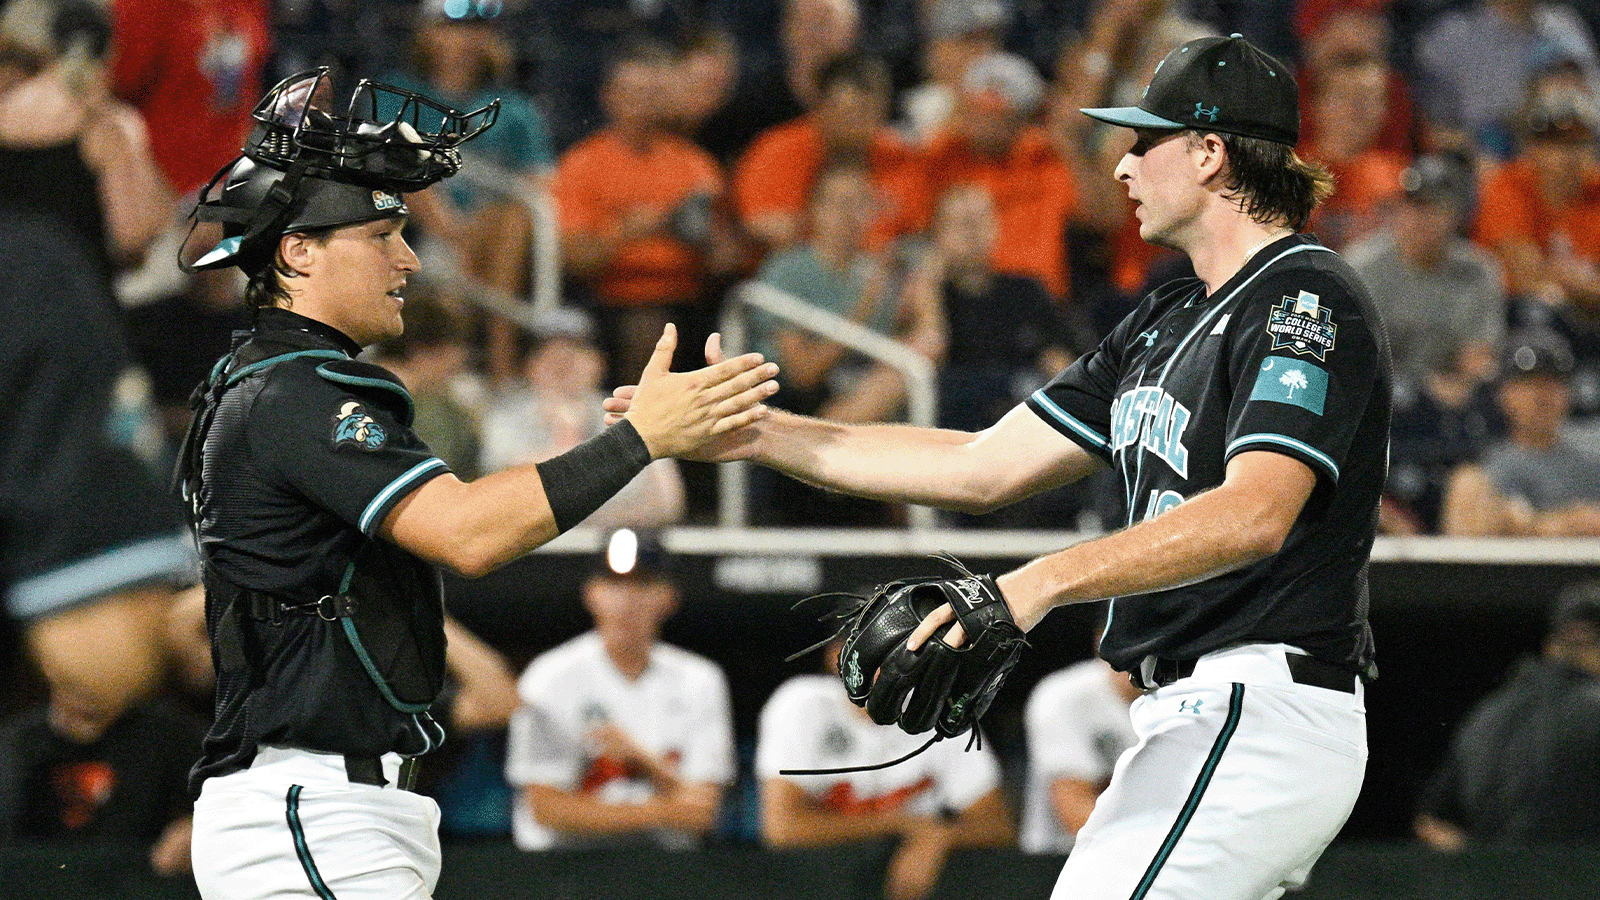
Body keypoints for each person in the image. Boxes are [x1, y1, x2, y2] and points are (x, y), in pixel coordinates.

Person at [609, 33, 1388, 900]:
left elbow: (1256, 513)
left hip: (1259, 701)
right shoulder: (1162, 319)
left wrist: (1038, 582)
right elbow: (981, 466)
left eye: (1143, 141)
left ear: (1211, 153)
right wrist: (758, 435)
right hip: (1192, 714)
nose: (1122, 167)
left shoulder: (1303, 297)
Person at [173, 69, 778, 900]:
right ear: (298, 250)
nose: (409, 257)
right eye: (381, 234)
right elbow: (467, 532)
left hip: (333, 806)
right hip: (312, 804)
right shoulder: (290, 392)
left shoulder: (279, 385)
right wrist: (641, 439)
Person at [504, 530, 734, 850]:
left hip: (667, 872)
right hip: (563, 871)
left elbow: (704, 813)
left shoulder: (700, 679)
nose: (626, 600)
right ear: (591, 593)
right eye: (613, 583)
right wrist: (667, 808)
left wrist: (641, 758)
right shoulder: (550, 676)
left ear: (669, 598)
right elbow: (545, 808)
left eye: (642, 584)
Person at [756, 638, 1015, 900]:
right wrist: (906, 825)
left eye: (898, 650)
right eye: (872, 650)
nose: (883, 667)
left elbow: (998, 826)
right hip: (815, 885)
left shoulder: (940, 709)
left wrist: (941, 837)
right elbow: (782, 829)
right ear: (837, 655)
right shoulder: (802, 703)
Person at [1414, 579, 1600, 847]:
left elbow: (1430, 824)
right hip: (1579, 885)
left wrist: (1480, 859)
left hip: (1500, 885)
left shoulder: (1486, 714)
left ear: (1551, 646)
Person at [478, 306, 687, 529]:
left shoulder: (630, 413)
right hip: (530, 552)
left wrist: (599, 524)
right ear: (530, 366)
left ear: (599, 363)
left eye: (576, 351)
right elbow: (503, 492)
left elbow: (669, 502)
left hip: (613, 544)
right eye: (550, 353)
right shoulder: (505, 418)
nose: (563, 362)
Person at [1440, 328, 1600, 536]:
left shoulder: (1593, 447)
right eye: (1528, 385)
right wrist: (1552, 525)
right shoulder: (1486, 464)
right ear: (1504, 394)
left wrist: (1528, 526)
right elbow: (1466, 535)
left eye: (1553, 384)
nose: (1542, 397)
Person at [1020, 655, 1140, 855]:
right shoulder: (1064, 694)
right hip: (1060, 859)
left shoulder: (1191, 691)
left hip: (1153, 854)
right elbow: (1075, 812)